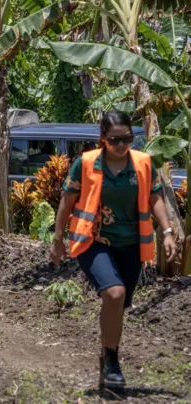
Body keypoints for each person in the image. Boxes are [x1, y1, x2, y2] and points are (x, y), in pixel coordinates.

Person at [50, 110, 178, 392]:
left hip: (131, 245)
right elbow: (67, 201)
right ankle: (112, 360)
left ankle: (107, 352)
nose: (121, 145)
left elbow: (155, 197)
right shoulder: (85, 164)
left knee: (120, 303)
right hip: (93, 241)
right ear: (102, 139)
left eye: (127, 139)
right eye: (114, 140)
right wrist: (58, 239)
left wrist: (167, 231)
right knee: (114, 293)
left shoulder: (143, 163)